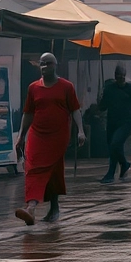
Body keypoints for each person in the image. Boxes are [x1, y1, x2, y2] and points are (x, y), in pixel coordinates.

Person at [15, 52, 82, 225]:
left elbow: (75, 109)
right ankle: (31, 208)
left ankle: (51, 206)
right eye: (42, 64)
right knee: (33, 167)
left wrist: (81, 130)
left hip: (58, 136)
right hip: (37, 134)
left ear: (56, 64)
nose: (45, 67)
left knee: (52, 170)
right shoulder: (33, 88)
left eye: (49, 63)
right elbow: (28, 113)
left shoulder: (67, 86)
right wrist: (21, 136)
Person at [99, 65, 131, 184]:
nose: (120, 77)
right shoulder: (109, 89)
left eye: (122, 75)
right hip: (112, 122)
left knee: (115, 143)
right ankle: (124, 164)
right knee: (113, 147)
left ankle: (111, 172)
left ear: (125, 75)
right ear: (115, 75)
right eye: (118, 75)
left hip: (126, 122)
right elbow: (103, 107)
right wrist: (100, 99)